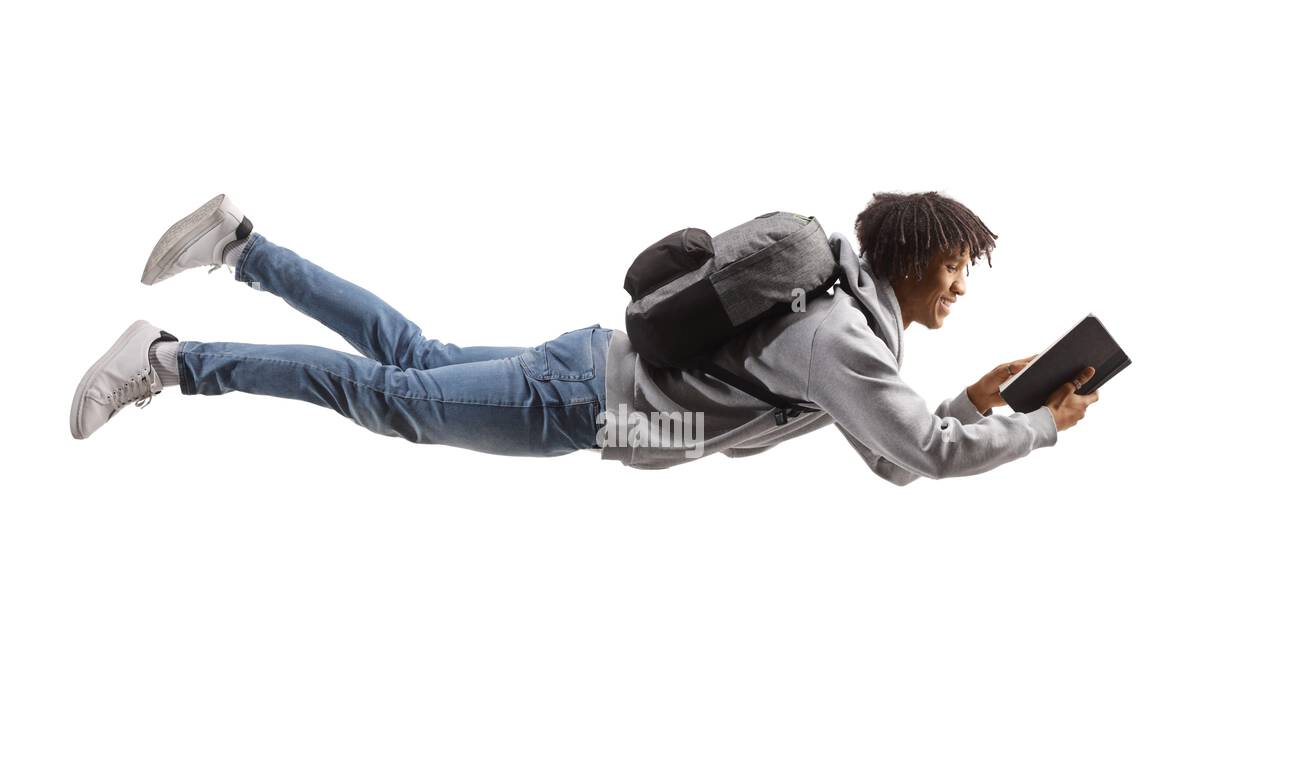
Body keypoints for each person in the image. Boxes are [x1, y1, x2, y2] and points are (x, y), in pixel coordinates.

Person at [69, 191, 1099, 482]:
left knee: (412, 359)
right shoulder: (842, 338)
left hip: (586, 368)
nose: (963, 284)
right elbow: (915, 450)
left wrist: (975, 402)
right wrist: (1037, 427)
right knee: (388, 397)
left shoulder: (842, 319)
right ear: (911, 254)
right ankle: (169, 360)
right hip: (582, 401)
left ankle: (244, 246)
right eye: (957, 263)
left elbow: (895, 455)